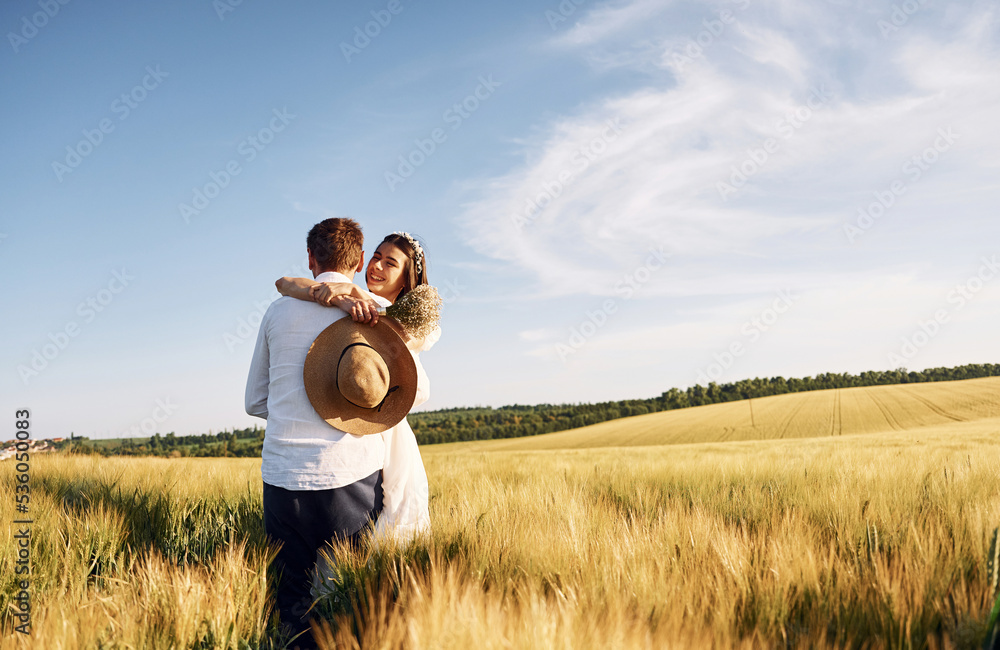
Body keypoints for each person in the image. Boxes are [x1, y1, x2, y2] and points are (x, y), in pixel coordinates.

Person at [246, 218, 399, 649]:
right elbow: (414, 391)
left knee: (291, 603)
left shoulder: (277, 312)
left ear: (311, 258)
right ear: (358, 259)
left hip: (282, 476)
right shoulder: (375, 312)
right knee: (350, 602)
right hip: (350, 474)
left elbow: (254, 402)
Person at [275, 232, 437, 543]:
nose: (377, 266)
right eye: (376, 256)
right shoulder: (357, 301)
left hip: (388, 428)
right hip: (358, 420)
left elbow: (418, 386)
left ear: (405, 280)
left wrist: (349, 290)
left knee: (392, 521)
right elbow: (284, 283)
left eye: (390, 263)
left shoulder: (410, 319)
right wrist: (342, 296)